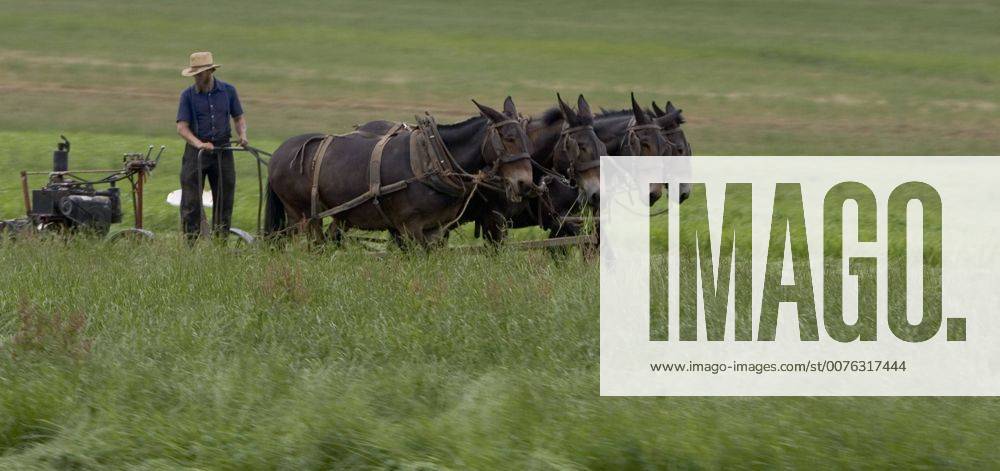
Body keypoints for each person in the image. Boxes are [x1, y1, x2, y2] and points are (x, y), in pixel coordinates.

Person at [175, 51, 248, 240]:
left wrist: (242, 136)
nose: (197, 78)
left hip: (223, 151)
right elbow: (182, 128)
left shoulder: (228, 91)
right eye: (195, 75)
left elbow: (238, 118)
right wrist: (199, 144)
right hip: (196, 153)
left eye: (200, 74)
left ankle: (220, 243)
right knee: (191, 202)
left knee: (224, 199)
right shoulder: (188, 96)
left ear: (210, 71)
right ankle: (191, 242)